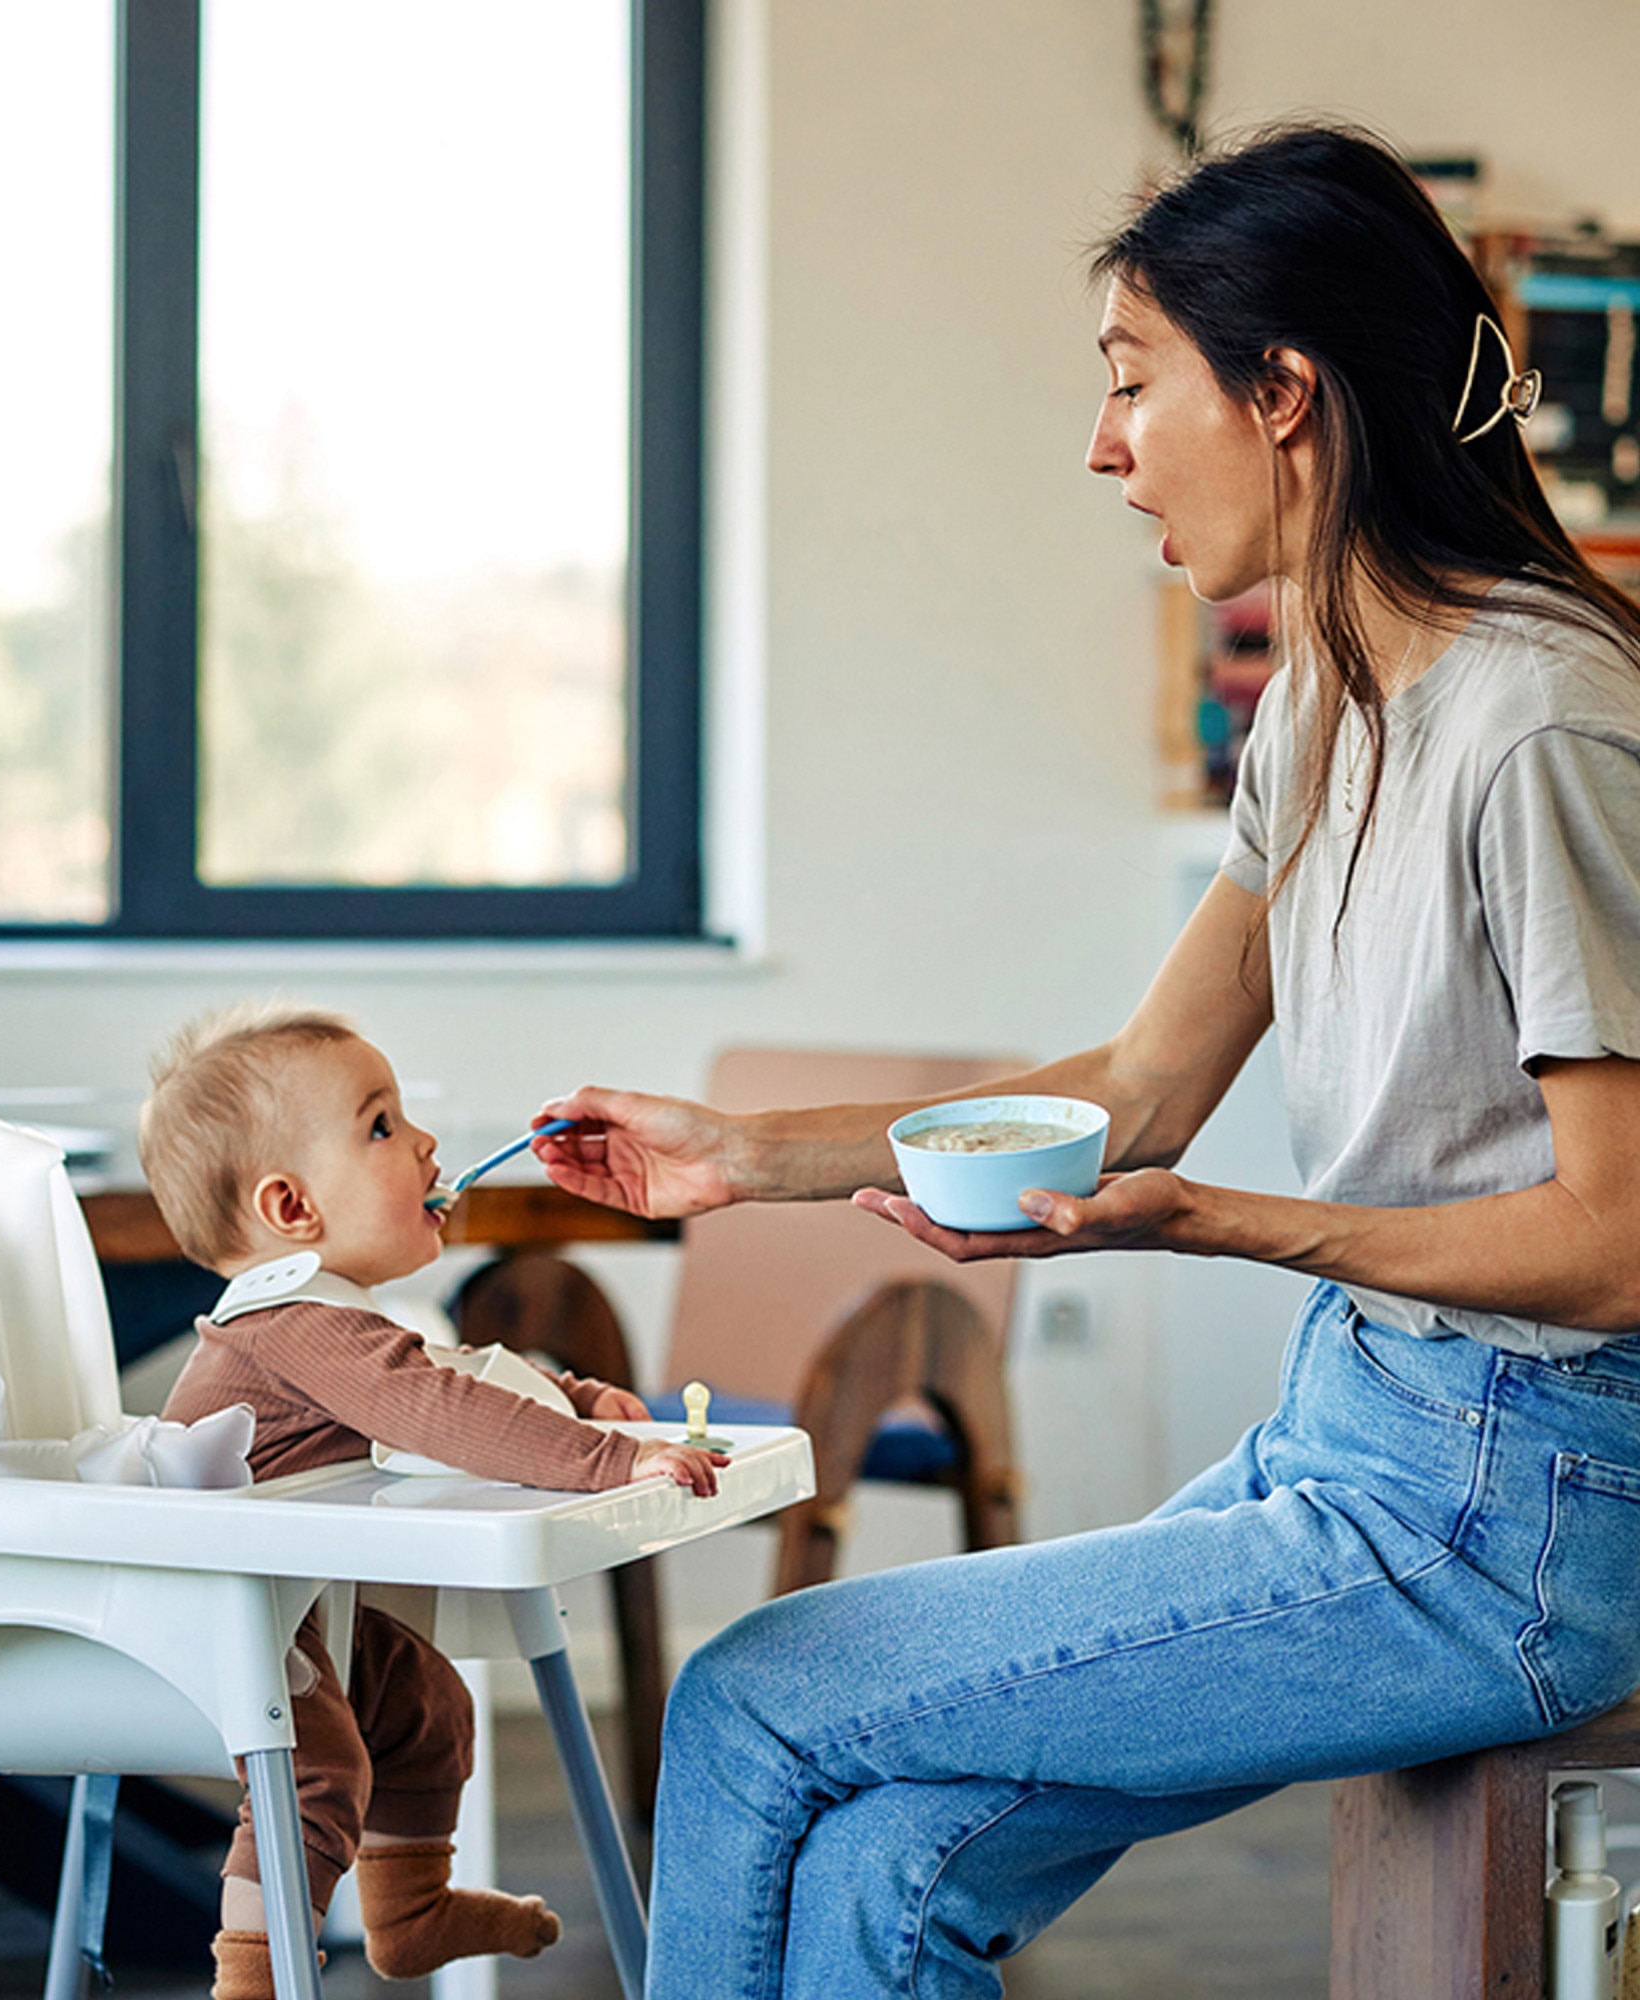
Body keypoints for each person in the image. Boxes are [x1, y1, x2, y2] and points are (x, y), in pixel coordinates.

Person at [530, 123, 1640, 1998]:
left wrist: (1227, 1228)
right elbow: (1136, 1086)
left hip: (1504, 1517)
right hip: (1357, 1437)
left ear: (1285, 394)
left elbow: (1614, 1247)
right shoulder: (1325, 704)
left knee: (753, 1700)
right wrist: (742, 1154)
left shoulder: (1542, 724)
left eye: (1134, 382)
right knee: (886, 1862)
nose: (1105, 446)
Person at [138, 1003, 724, 1999]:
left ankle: (407, 1907)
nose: (423, 1143)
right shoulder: (290, 1323)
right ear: (290, 1208)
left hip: (294, 1601)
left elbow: (447, 1370)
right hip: (204, 1609)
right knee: (316, 1767)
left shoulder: (333, 1315)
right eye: (379, 1124)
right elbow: (433, 1404)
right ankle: (251, 1974)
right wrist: (600, 1458)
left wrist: (577, 1397)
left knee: (424, 1699)